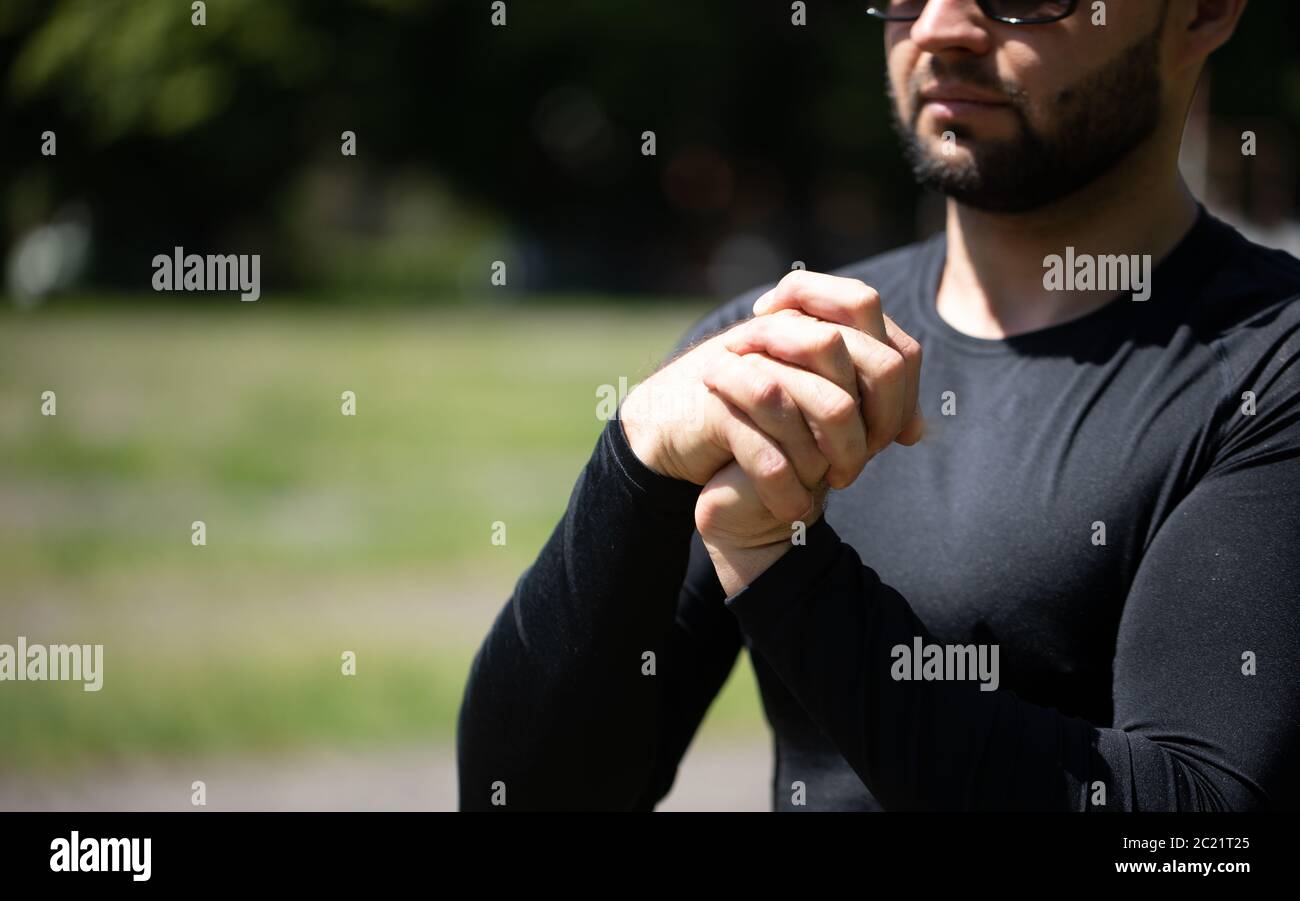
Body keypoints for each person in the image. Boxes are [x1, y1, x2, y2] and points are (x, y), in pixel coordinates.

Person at [458, 0, 1300, 810]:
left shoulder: (1271, 366)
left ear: (1204, 10)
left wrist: (784, 572)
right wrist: (632, 458)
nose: (938, 24)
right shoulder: (777, 351)